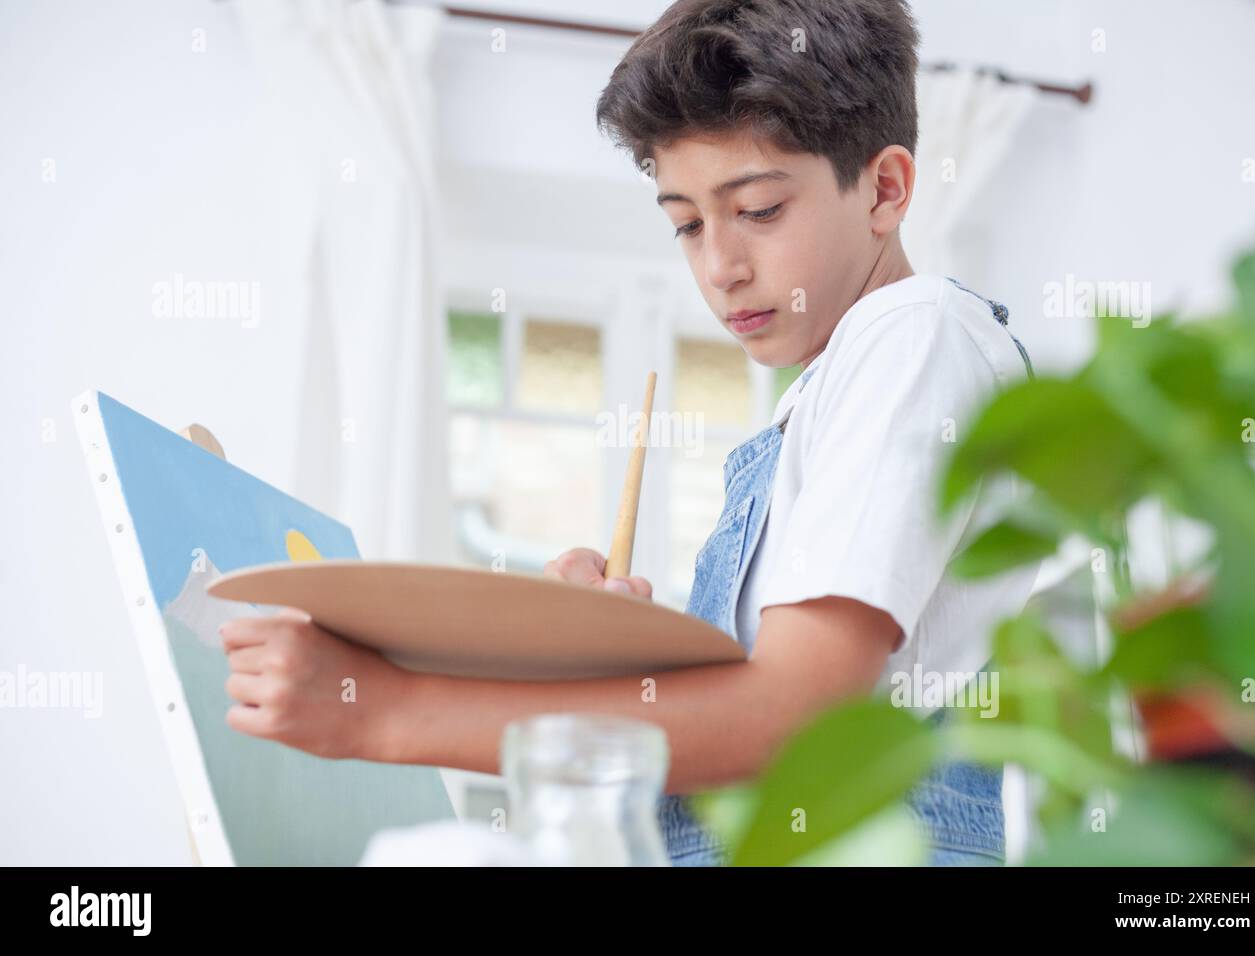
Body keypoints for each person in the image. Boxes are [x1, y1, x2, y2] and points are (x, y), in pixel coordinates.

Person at [218, 0, 1041, 866]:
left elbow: (793, 717)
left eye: (757, 209)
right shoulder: (825, 388)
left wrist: (380, 712)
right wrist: (604, 659)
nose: (720, 266)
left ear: (885, 189)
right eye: (686, 223)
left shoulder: (912, 335)